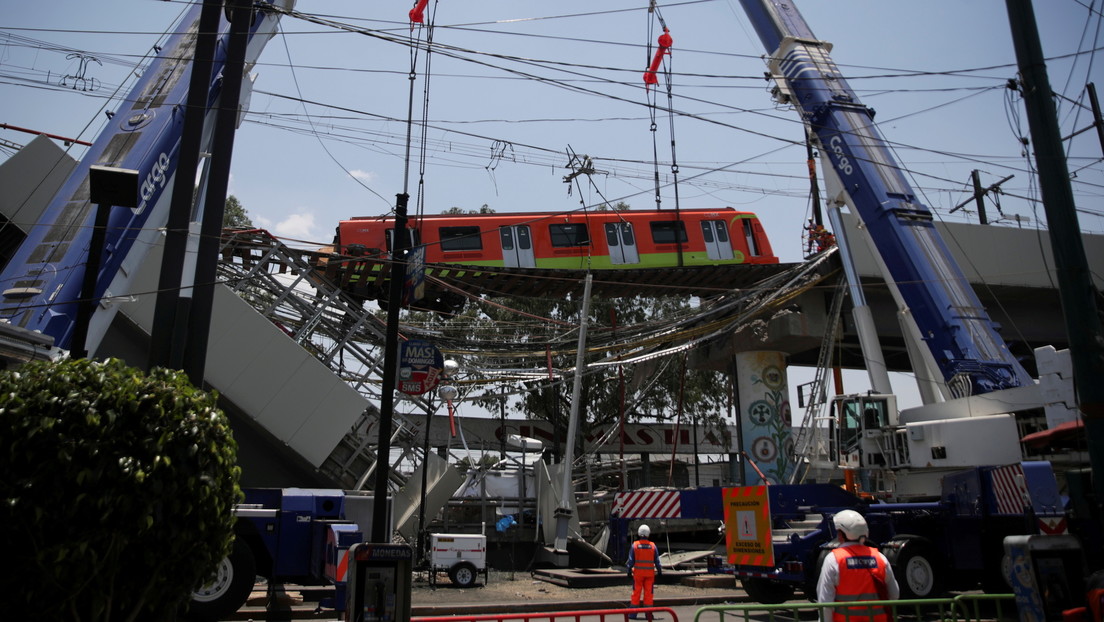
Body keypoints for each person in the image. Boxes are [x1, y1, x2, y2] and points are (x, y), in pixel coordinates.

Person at [817, 510, 899, 622]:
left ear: (841, 535)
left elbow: (825, 601)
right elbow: (894, 594)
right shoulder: (880, 557)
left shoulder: (833, 559)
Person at [627, 524, 663, 619]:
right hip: (649, 575)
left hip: (638, 574)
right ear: (648, 534)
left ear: (639, 533)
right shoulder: (653, 546)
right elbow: (657, 561)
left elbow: (631, 560)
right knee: (648, 594)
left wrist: (628, 570)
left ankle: (633, 614)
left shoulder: (635, 545)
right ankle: (648, 614)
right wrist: (659, 570)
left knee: (636, 593)